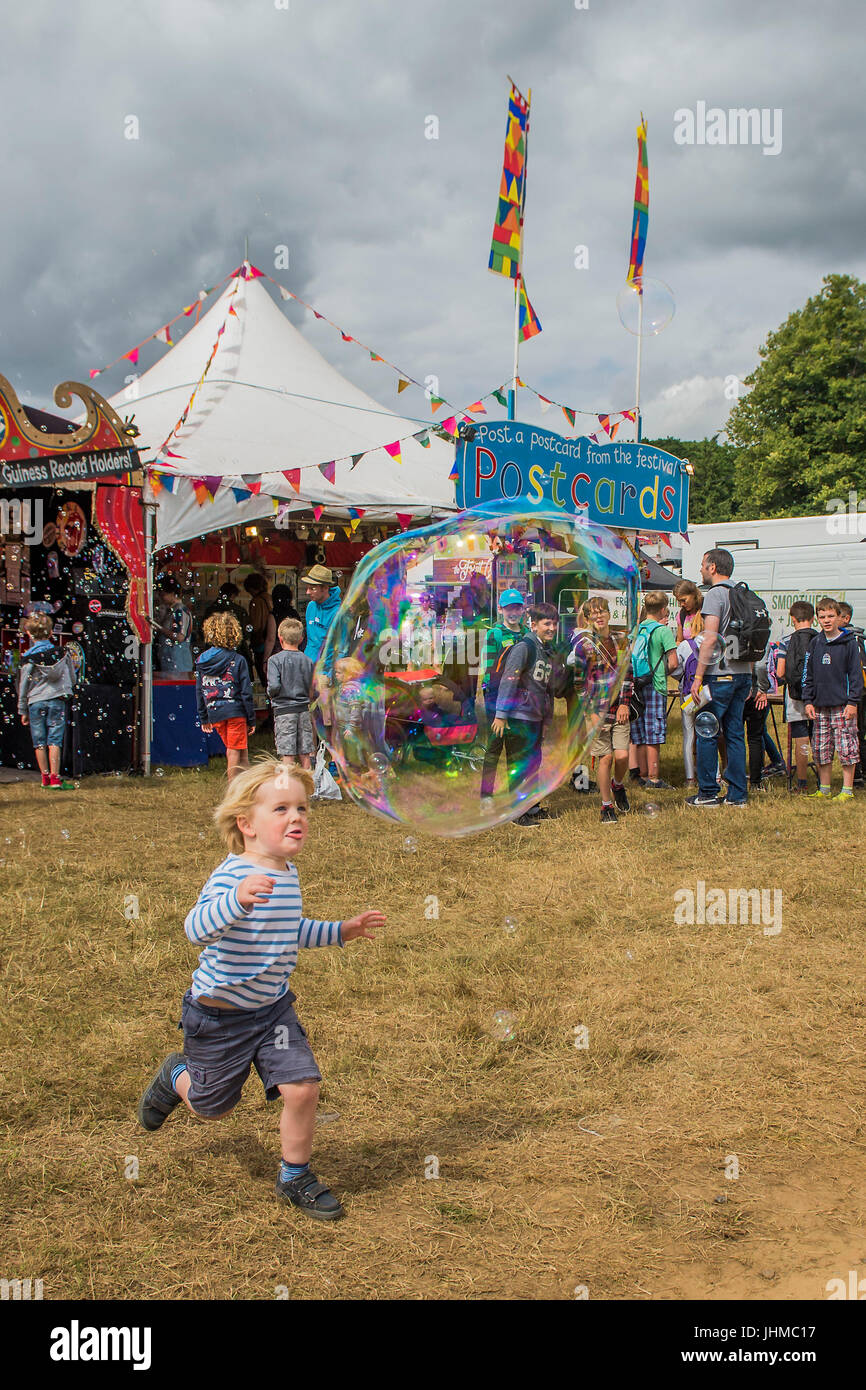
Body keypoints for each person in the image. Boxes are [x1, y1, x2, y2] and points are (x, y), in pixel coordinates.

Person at [137, 757, 385, 1221]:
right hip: (219, 1016)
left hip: (273, 1011)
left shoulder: (288, 873)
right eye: (282, 809)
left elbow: (289, 930)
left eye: (303, 808)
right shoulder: (234, 874)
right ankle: (175, 1075)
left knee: (303, 1088)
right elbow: (196, 930)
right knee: (213, 1108)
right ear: (245, 824)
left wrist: (340, 931)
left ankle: (295, 1176)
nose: (297, 817)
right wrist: (236, 900)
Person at [686, 548, 753, 808]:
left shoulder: (715, 594)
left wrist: (697, 677)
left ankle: (708, 793)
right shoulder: (742, 593)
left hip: (720, 674)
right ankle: (737, 795)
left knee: (707, 731)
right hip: (742, 674)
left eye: (703, 565)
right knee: (735, 733)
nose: (701, 569)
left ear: (713, 567)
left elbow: (710, 638)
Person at [491, 601, 560, 826]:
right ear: (534, 624)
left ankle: (532, 807)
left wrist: (547, 719)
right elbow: (508, 679)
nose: (552, 628)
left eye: (555, 623)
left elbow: (547, 689)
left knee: (533, 763)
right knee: (519, 765)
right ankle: (516, 812)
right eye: (546, 623)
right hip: (519, 715)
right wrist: (501, 714)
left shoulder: (546, 651)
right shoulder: (524, 647)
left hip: (536, 717)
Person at [577, 597, 633, 824]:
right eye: (593, 614)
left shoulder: (621, 641)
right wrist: (589, 712)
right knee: (605, 758)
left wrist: (624, 703)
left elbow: (628, 675)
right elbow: (579, 683)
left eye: (602, 612)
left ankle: (617, 785)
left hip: (618, 708)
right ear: (588, 619)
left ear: (610, 614)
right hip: (595, 711)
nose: (599, 617)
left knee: (622, 755)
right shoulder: (585, 645)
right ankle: (606, 806)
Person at [802, 596, 864, 802]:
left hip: (843, 705)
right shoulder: (815, 643)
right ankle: (825, 787)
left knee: (847, 746)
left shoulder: (848, 644)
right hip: (819, 705)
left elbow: (855, 675)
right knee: (821, 748)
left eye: (830, 616)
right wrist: (808, 700)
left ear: (839, 618)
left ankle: (846, 790)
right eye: (822, 617)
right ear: (817, 619)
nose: (826, 620)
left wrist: (853, 702)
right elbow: (807, 674)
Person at [479, 589, 528, 801]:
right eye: (508, 608)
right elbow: (490, 669)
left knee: (516, 750)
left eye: (517, 607)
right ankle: (486, 796)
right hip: (497, 698)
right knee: (494, 746)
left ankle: (514, 796)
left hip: (521, 698)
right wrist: (495, 703)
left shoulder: (527, 633)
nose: (513, 612)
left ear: (523, 609)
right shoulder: (495, 634)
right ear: (500, 610)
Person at [17, 614, 76, 789]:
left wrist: (22, 710)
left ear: (28, 634)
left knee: (39, 742)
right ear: (51, 633)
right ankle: (56, 778)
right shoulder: (62, 653)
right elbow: (72, 678)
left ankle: (44, 779)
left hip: (35, 702)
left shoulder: (28, 658)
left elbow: (23, 686)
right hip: (57, 700)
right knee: (55, 741)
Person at [196, 612, 256, 781]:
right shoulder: (238, 660)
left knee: (241, 750)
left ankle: (249, 787)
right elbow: (246, 692)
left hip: (215, 712)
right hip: (235, 711)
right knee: (234, 750)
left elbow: (200, 690)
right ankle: (233, 789)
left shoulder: (202, 660)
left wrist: (204, 717)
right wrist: (251, 718)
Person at [629, 591, 678, 792]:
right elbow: (673, 663)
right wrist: (662, 671)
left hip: (637, 685)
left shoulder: (636, 629)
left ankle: (640, 774)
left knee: (639, 731)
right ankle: (654, 778)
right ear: (663, 609)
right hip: (655, 685)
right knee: (654, 732)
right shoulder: (663, 631)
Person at [776, 601, 817, 792]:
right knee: (817, 734)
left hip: (794, 695)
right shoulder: (820, 639)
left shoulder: (786, 641)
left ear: (793, 619)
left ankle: (801, 782)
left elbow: (780, 671)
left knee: (800, 737)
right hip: (818, 695)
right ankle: (822, 778)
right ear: (813, 618)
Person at [267, 619, 314, 772]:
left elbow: (273, 686)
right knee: (305, 751)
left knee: (288, 752)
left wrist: (271, 694)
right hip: (304, 709)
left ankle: (287, 785)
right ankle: (310, 787)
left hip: (284, 710)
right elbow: (312, 687)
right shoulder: (308, 660)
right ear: (301, 639)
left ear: (280, 638)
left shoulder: (274, 660)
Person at [674, 592, 704, 789]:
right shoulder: (716, 644)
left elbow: (676, 669)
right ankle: (715, 774)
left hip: (687, 694)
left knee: (689, 735)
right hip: (708, 693)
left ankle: (690, 777)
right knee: (709, 732)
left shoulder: (685, 645)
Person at [838, 601, 866, 786]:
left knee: (854, 734)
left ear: (846, 618)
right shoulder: (860, 638)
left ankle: (856, 775)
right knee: (859, 734)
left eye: (835, 616)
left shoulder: (849, 640)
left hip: (854, 693)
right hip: (860, 692)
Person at [299, 565, 341, 667]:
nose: (307, 592)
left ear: (325, 588)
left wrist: (329, 674)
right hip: (308, 665)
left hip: (326, 669)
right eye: (307, 587)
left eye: (312, 588)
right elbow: (310, 640)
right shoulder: (311, 606)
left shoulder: (339, 612)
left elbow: (340, 647)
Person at [155, 578, 194, 675]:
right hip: (169, 661)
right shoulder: (170, 610)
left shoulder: (180, 610)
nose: (161, 597)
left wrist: (159, 628)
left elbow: (180, 637)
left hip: (178, 663)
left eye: (163, 594)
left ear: (172, 593)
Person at [243, 573, 276, 685]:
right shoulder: (270, 598)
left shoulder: (256, 601)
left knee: (265, 678)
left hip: (261, 643)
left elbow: (255, 625)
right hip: (272, 644)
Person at [268, 585, 303, 663]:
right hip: (296, 652)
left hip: (279, 653)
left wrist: (265, 659)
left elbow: (270, 639)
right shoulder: (294, 613)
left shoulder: (274, 615)